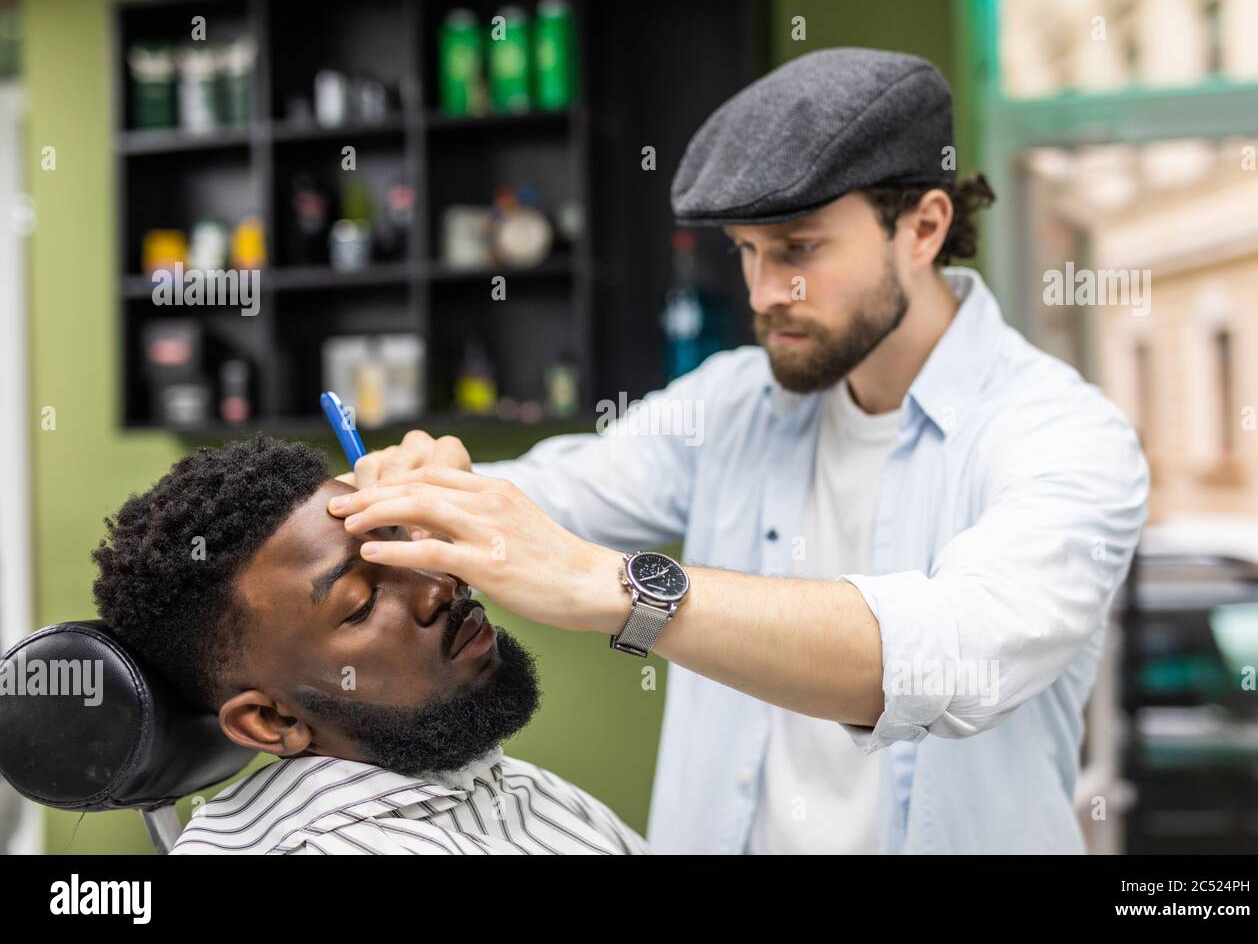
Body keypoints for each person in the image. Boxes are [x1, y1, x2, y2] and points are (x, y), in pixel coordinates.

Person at [323, 47, 1151, 854]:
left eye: (798, 250)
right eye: (747, 253)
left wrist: (615, 589)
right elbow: (555, 491)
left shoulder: (1062, 433)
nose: (761, 296)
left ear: (924, 227)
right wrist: (417, 492)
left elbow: (961, 652)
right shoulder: (734, 401)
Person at [90, 435, 648, 855]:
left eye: (401, 543)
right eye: (360, 604)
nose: (439, 587)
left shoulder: (501, 783)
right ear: (270, 720)